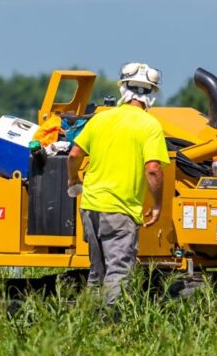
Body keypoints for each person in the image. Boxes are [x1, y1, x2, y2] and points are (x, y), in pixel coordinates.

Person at [67, 61, 169, 306]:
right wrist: (157, 205)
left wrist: (73, 179)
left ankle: (89, 321)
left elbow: (73, 154)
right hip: (120, 211)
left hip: (90, 207)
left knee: (96, 272)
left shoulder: (100, 119)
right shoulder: (150, 125)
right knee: (119, 273)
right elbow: (153, 169)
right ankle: (112, 323)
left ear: (122, 88)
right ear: (152, 94)